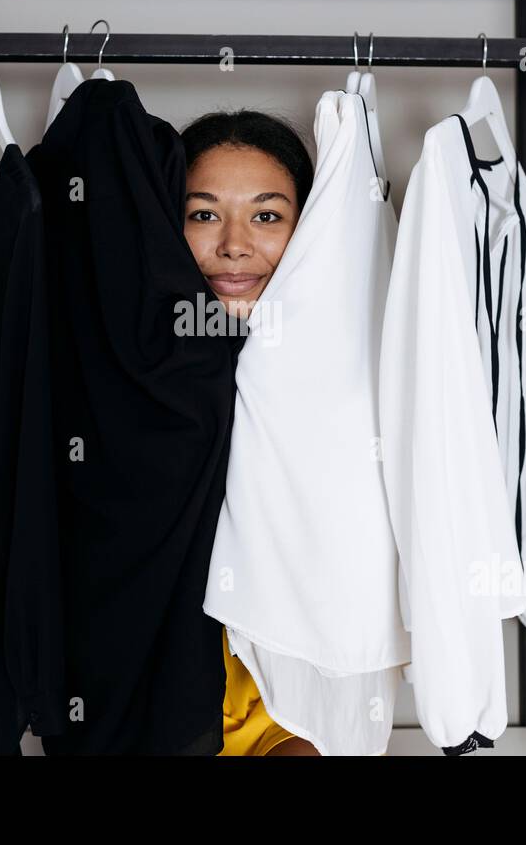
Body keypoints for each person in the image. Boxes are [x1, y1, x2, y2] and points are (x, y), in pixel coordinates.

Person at [180, 108, 321, 756]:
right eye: (203, 214)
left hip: (290, 694)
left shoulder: (342, 372)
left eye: (267, 216)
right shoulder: (121, 368)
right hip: (156, 696)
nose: (234, 244)